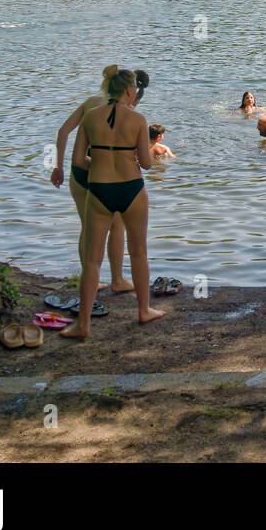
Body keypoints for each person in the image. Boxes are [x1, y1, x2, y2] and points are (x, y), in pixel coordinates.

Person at [61, 68, 164, 339]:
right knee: (139, 251)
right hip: (131, 189)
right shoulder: (138, 119)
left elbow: (78, 161)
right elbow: (146, 162)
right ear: (130, 91)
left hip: (99, 190)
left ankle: (83, 325)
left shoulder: (90, 117)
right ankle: (144, 310)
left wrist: (102, 161)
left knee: (92, 261)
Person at [50, 64, 138, 294]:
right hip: (102, 174)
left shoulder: (90, 103)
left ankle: (90, 279)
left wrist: (58, 167)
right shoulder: (124, 109)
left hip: (78, 173)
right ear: (127, 89)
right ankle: (118, 279)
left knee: (87, 228)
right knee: (117, 224)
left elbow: (62, 131)